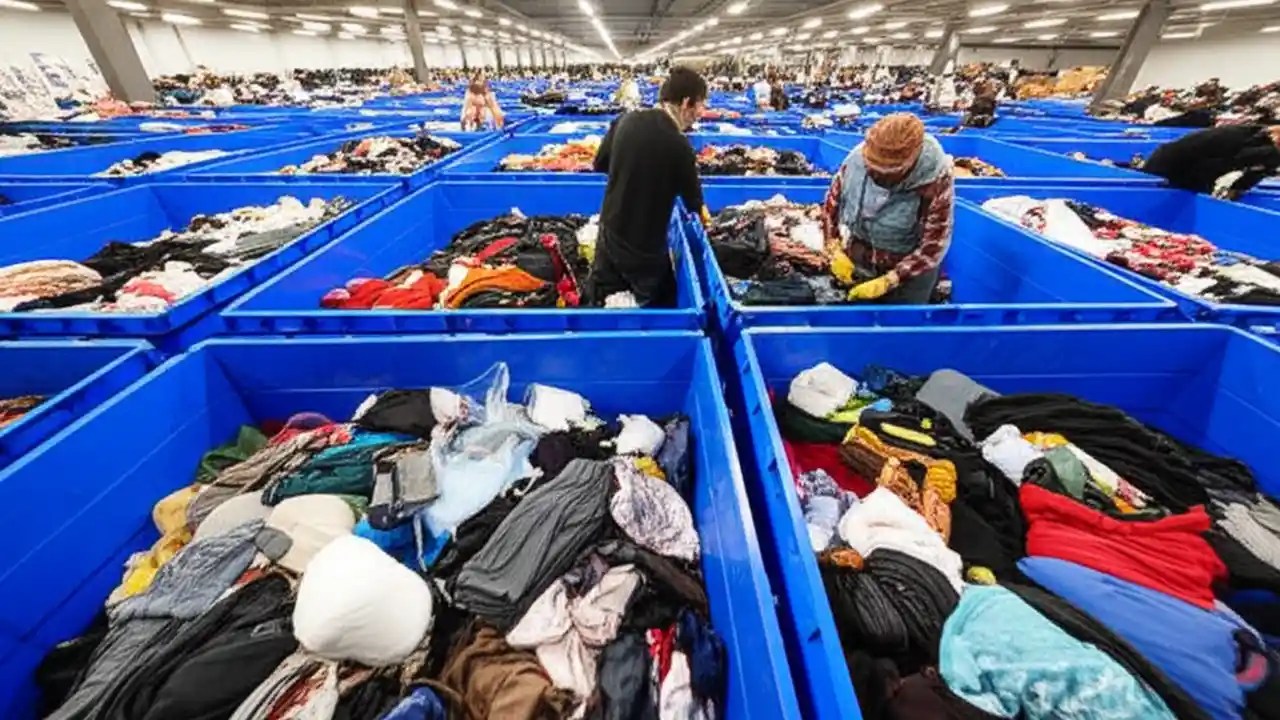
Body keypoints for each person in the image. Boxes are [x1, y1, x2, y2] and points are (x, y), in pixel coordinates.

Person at [588, 66, 708, 307]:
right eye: (701, 104)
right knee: (659, 306)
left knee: (599, 300)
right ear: (686, 103)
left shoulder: (625, 119)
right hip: (644, 249)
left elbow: (600, 163)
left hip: (609, 232)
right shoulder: (679, 146)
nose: (702, 112)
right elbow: (694, 204)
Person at [821, 113, 955, 304]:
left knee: (902, 327)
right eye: (873, 170)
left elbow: (934, 243)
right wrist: (833, 247)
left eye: (888, 173)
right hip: (861, 255)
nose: (879, 177)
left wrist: (890, 280)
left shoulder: (935, 177)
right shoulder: (855, 161)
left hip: (910, 268)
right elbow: (830, 209)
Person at [1142, 124, 1280, 199]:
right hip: (1175, 167)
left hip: (1166, 157)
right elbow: (1237, 163)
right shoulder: (1265, 149)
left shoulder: (1252, 131)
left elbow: (1250, 169)